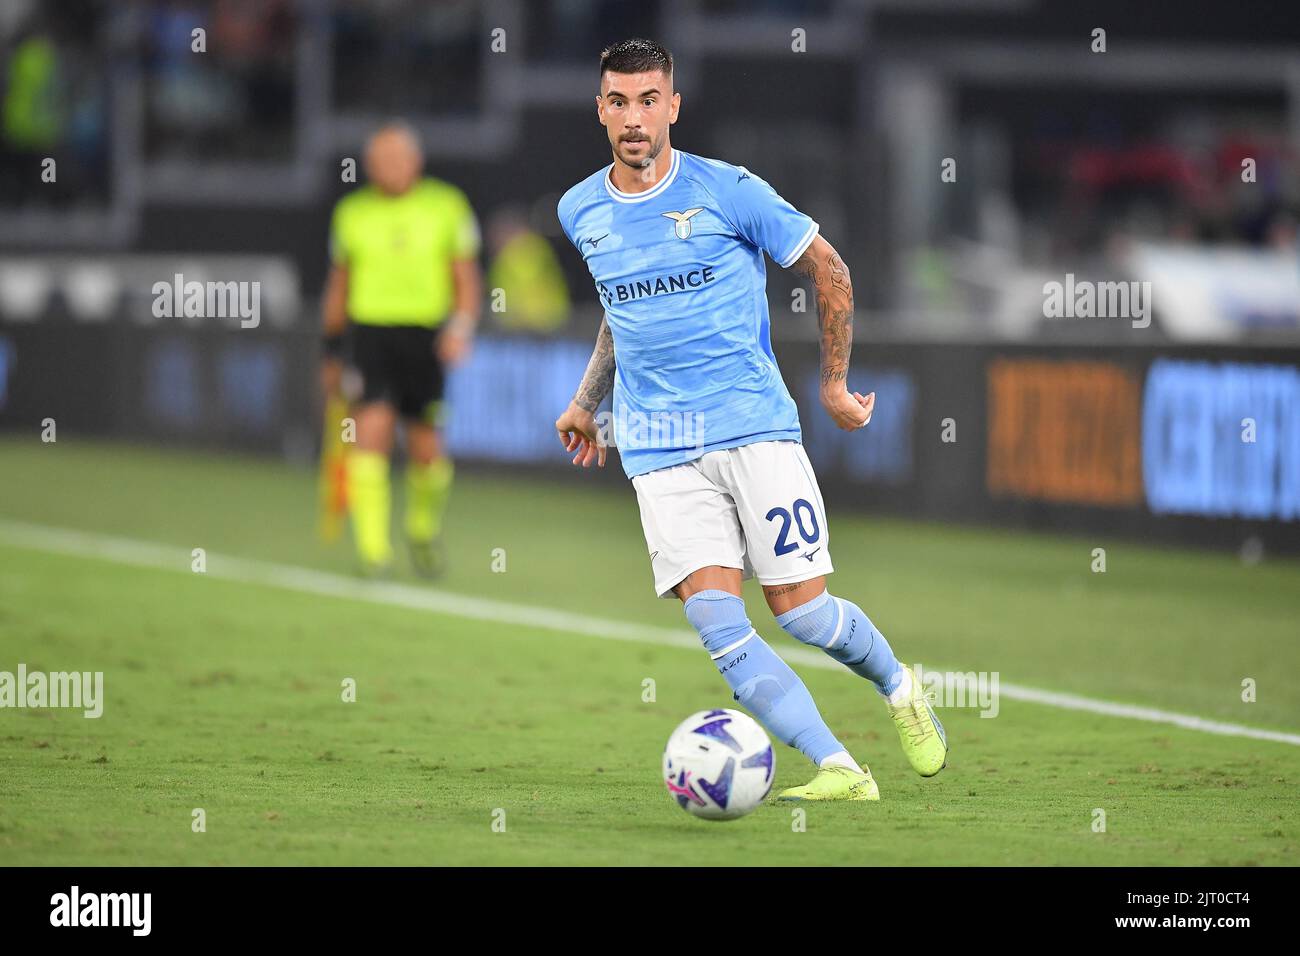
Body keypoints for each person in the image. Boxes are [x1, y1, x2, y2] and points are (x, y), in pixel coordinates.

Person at [553, 39, 946, 801]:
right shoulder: (579, 209)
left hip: (753, 427)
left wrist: (834, 384)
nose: (633, 118)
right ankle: (840, 770)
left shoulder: (729, 190)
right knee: (718, 624)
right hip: (658, 446)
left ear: (673, 105)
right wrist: (587, 401)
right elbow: (618, 310)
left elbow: (828, 268)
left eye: (647, 100)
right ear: (600, 109)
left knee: (802, 614)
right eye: (617, 101)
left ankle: (900, 687)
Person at [322, 122, 482, 577]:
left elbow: (466, 277)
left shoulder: (447, 205)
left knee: (427, 448)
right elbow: (338, 285)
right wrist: (331, 350)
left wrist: (461, 327)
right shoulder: (351, 212)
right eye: (377, 160)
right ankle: (374, 552)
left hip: (424, 336)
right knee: (369, 429)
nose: (385, 168)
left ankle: (421, 525)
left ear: (416, 161)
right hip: (369, 334)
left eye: (395, 158)